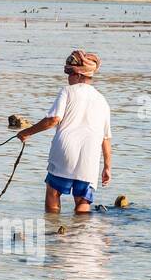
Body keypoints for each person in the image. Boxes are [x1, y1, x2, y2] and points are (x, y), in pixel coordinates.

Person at [17, 50, 111, 213]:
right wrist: (107, 167)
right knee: (83, 201)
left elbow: (53, 119)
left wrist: (27, 132)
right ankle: (81, 234)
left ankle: (53, 233)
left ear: (79, 75)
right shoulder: (102, 100)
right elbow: (106, 138)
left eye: (69, 73)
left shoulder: (67, 91)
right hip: (90, 158)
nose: (68, 77)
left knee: (53, 193)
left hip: (64, 152)